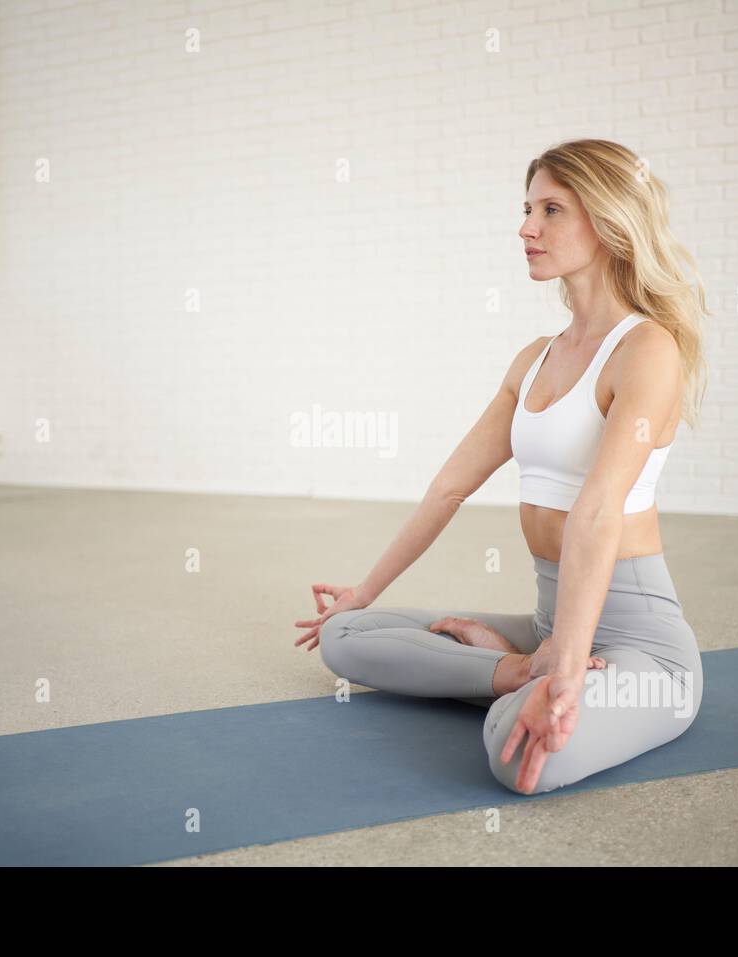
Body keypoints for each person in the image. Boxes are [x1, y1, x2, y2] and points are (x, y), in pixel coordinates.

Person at [293, 139, 711, 795]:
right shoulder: (534, 359)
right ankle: (515, 669)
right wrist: (363, 592)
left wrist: (568, 675)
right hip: (550, 627)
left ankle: (529, 675)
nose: (526, 227)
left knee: (517, 761)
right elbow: (449, 486)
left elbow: (597, 512)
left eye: (551, 210)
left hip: (641, 649)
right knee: (345, 637)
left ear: (606, 222)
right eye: (527, 208)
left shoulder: (647, 350)